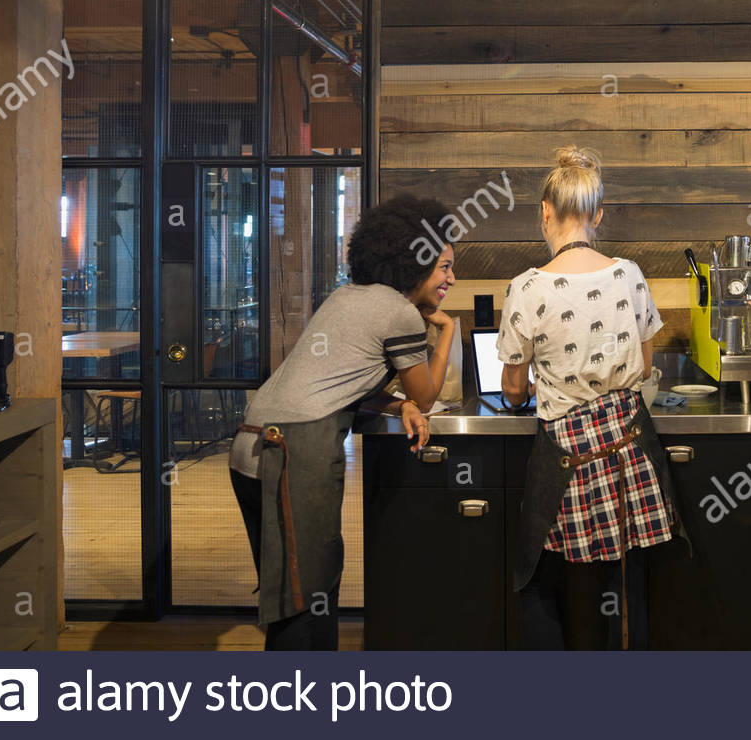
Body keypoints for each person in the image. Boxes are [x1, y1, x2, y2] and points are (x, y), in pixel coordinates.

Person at [228, 195, 456, 650]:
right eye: (445, 267)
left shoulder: (347, 297)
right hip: (294, 453)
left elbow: (340, 383)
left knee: (299, 587)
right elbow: (427, 395)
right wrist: (448, 330)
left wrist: (396, 406)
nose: (452, 277)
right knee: (303, 596)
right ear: (417, 261)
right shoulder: (401, 313)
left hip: (250, 448)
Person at [497, 145, 689, 649]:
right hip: (631, 453)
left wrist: (547, 383)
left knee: (578, 597)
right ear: (598, 214)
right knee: (632, 590)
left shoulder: (526, 287)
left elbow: (514, 391)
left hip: (570, 464)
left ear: (545, 212)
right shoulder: (630, 275)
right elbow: (645, 367)